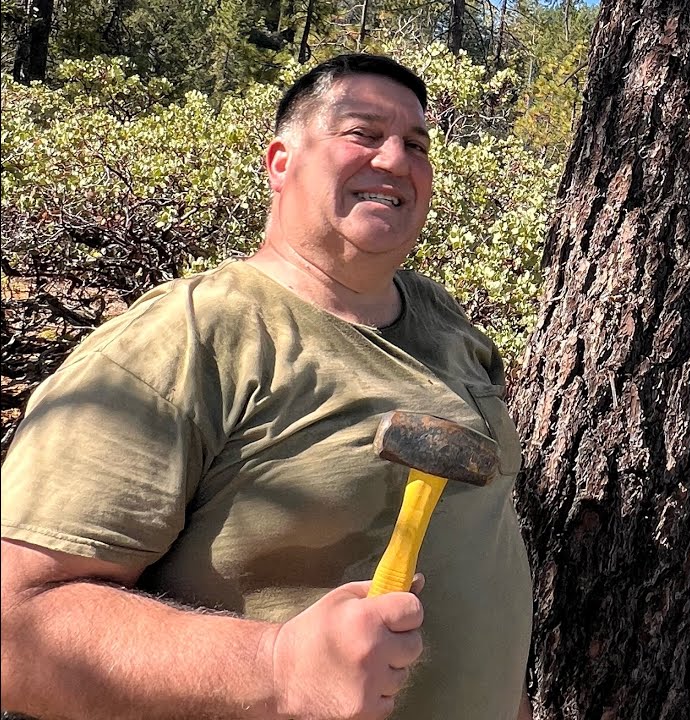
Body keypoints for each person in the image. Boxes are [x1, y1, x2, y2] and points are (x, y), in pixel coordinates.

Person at [0, 54, 533, 720]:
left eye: (416, 144)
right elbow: (15, 628)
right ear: (281, 163)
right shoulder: (189, 337)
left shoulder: (448, 323)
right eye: (363, 133)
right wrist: (277, 667)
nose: (396, 160)